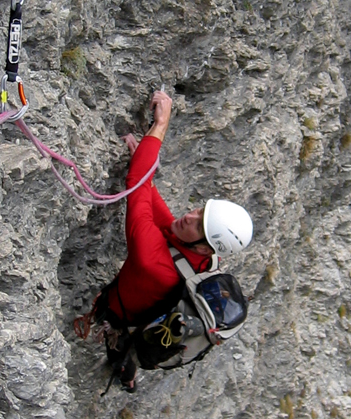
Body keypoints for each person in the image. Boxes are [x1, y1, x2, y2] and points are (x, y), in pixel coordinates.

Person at [74, 90, 253, 391]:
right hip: (148, 311)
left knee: (120, 345)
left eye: (200, 225)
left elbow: (136, 191)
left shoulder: (152, 261)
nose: (190, 217)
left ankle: (126, 374)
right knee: (127, 342)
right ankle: (127, 370)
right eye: (201, 210)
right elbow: (153, 205)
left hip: (124, 316)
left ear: (205, 246)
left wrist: (159, 128)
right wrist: (144, 162)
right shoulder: (203, 258)